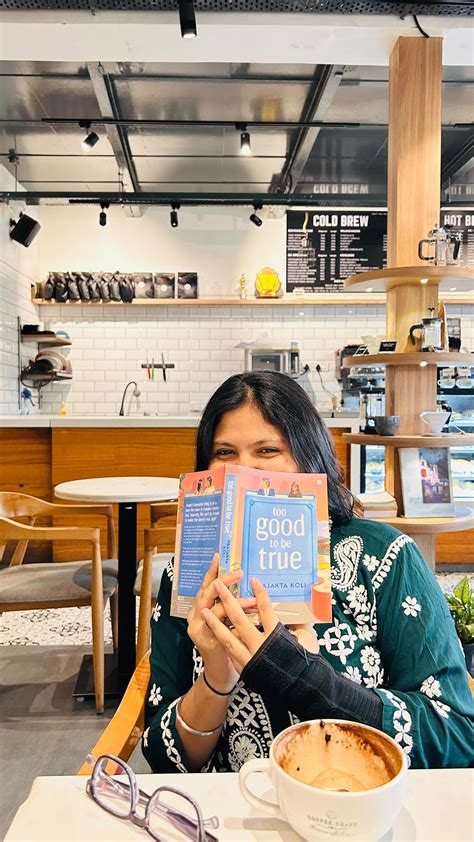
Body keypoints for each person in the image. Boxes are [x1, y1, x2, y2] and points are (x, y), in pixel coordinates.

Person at [142, 371, 473, 773]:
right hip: (234, 807)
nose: (243, 470)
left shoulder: (384, 556)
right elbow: (163, 758)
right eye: (224, 452)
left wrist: (305, 677)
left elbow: (454, 733)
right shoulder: (188, 575)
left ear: (307, 453)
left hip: (358, 801)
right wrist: (216, 676)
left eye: (267, 450)